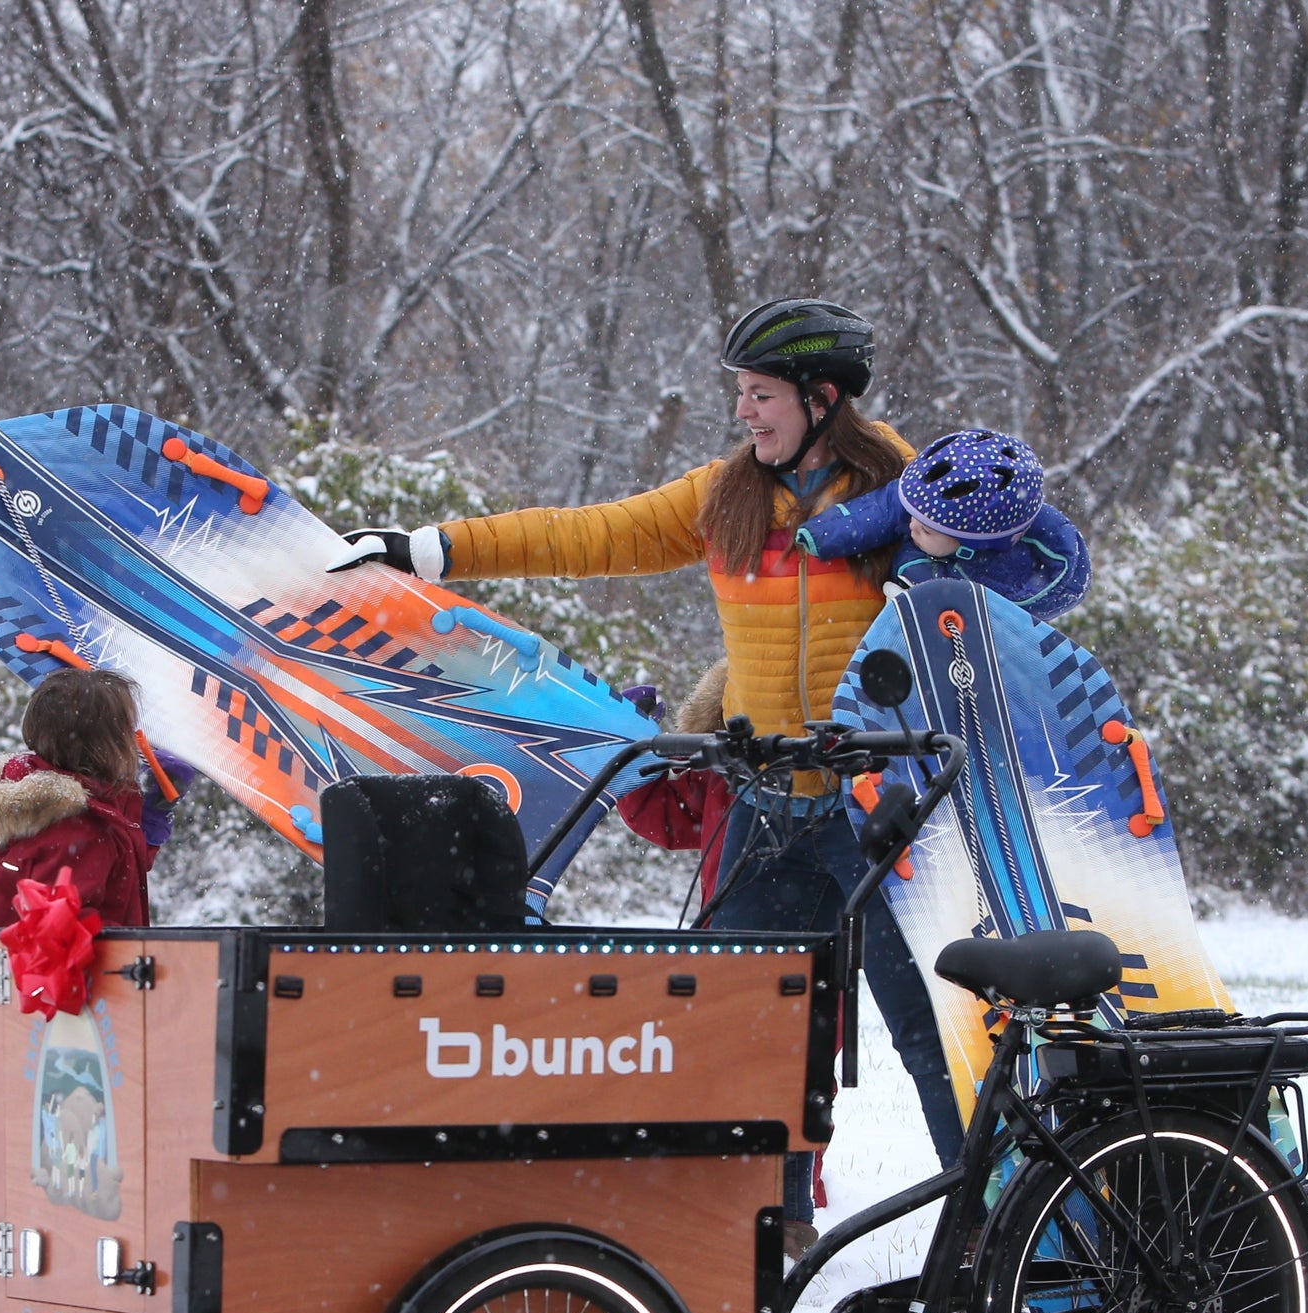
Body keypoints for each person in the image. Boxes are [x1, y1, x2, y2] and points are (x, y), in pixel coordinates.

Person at [330, 298, 966, 1258]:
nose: (746, 415)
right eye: (741, 397)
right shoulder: (727, 499)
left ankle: (997, 1228)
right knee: (746, 1028)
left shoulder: (900, 494)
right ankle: (764, 1226)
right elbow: (583, 536)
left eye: (761, 396)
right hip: (764, 806)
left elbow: (1000, 573)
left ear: (822, 397)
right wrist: (428, 551)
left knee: (929, 1031)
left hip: (880, 809)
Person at [0, 667, 190, 928]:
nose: (136, 741)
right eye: (128, 730)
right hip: (86, 969)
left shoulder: (76, 804)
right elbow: (62, 936)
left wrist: (151, 815)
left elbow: (119, 871)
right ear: (103, 746)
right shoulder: (76, 831)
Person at [794, 428, 1090, 618]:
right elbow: (879, 509)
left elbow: (997, 625)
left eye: (926, 530)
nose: (912, 526)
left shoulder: (1006, 574)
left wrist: (921, 600)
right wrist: (822, 533)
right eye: (913, 515)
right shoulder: (928, 498)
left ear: (971, 546)